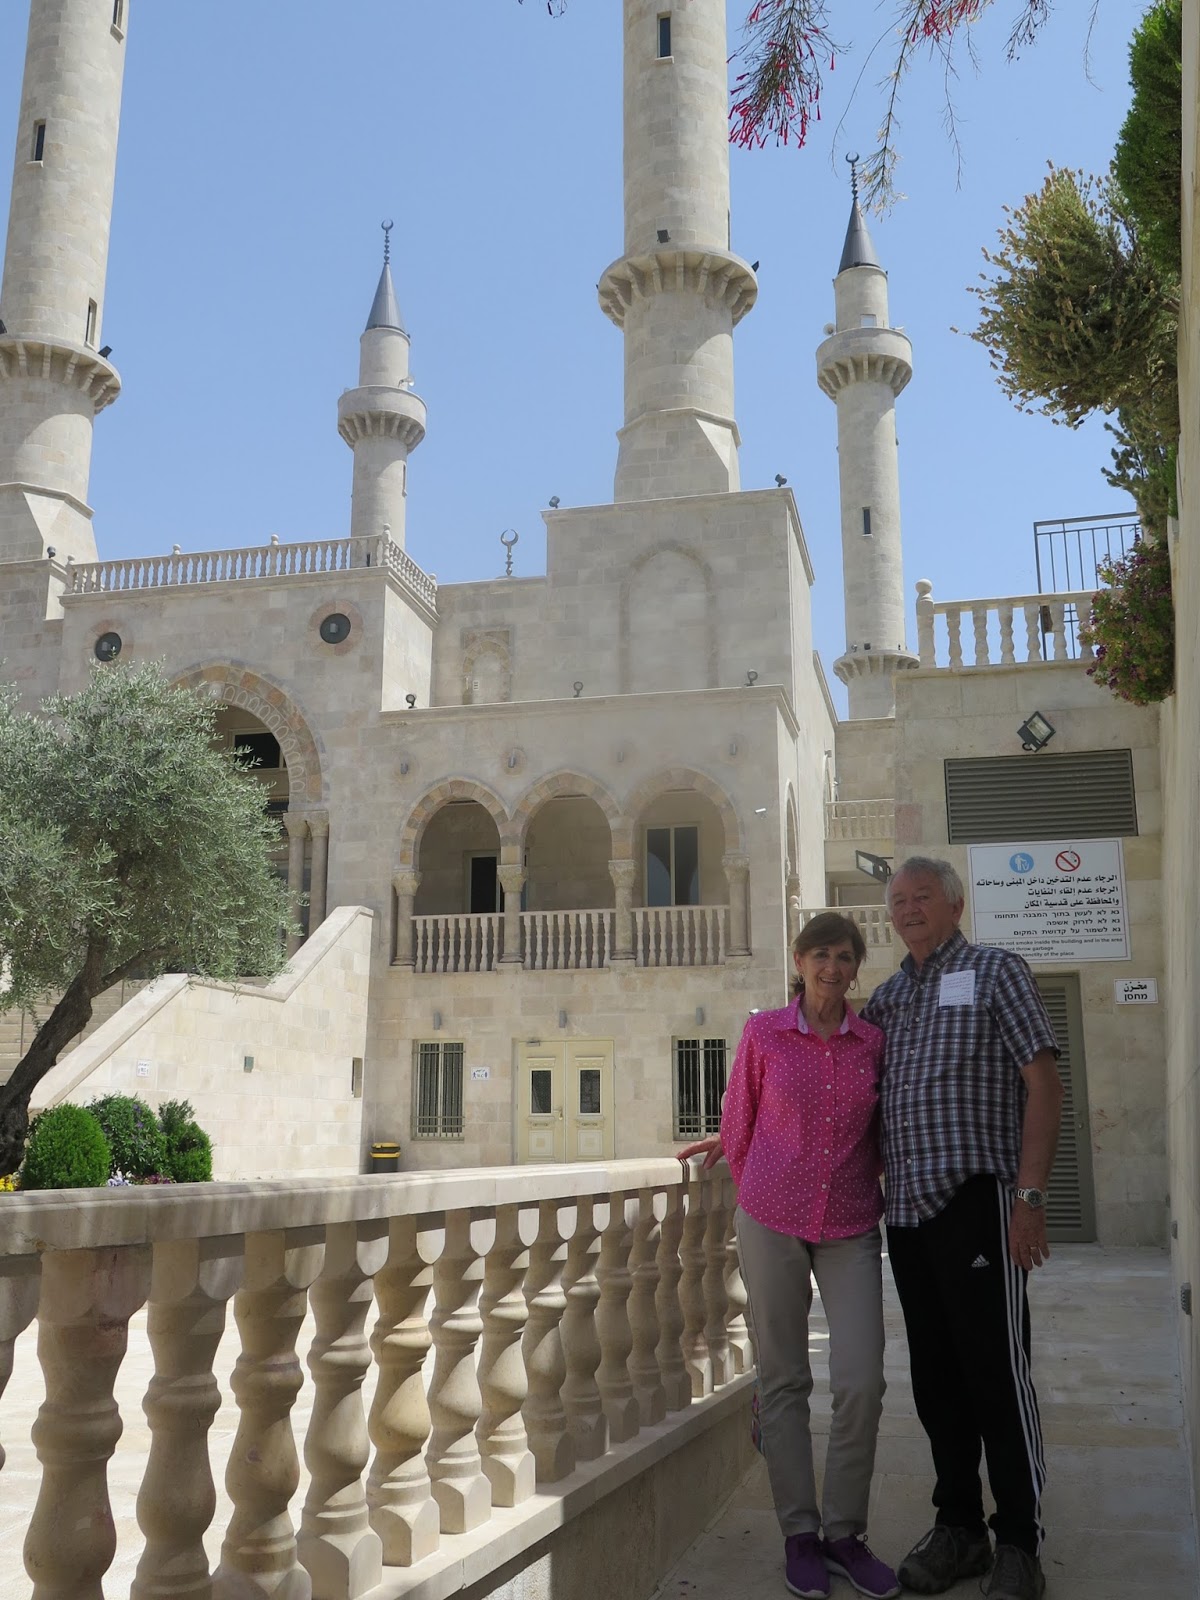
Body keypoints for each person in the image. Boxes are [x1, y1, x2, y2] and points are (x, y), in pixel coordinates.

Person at [860, 857, 1063, 1600]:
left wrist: (1030, 1198)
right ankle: (959, 1529)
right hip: (908, 1217)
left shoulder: (996, 971)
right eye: (899, 901)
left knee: (997, 1378)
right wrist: (743, 1129)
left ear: (955, 903)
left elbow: (1044, 1084)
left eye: (922, 897)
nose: (909, 909)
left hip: (978, 1203)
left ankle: (1019, 1541)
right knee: (937, 1382)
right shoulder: (885, 1000)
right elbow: (836, 1081)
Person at [685, 911, 900, 1600]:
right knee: (782, 1381)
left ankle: (846, 1533)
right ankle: (801, 1535)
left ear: (855, 968)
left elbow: (883, 1128)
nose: (833, 968)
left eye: (845, 957)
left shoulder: (872, 1042)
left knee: (862, 1378)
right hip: (771, 1220)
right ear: (800, 961)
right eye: (821, 955)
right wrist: (756, 1188)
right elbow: (738, 1120)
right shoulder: (764, 1033)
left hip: (850, 1225)